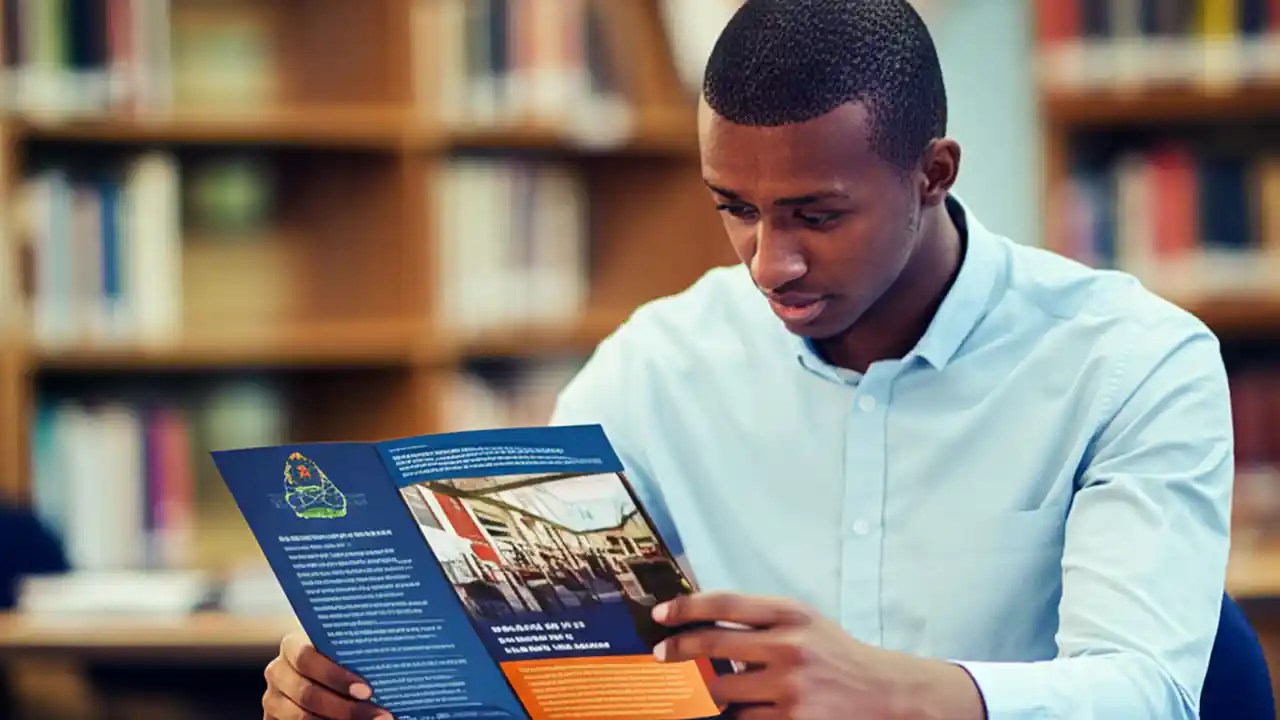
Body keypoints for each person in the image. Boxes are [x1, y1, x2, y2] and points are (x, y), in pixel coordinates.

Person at [259, 1, 1234, 718]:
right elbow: (534, 648)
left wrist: (901, 694)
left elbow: (1147, 688)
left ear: (931, 174)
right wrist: (370, 673)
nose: (772, 262)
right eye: (734, 208)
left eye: (816, 214)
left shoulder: (1132, 364)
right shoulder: (652, 368)